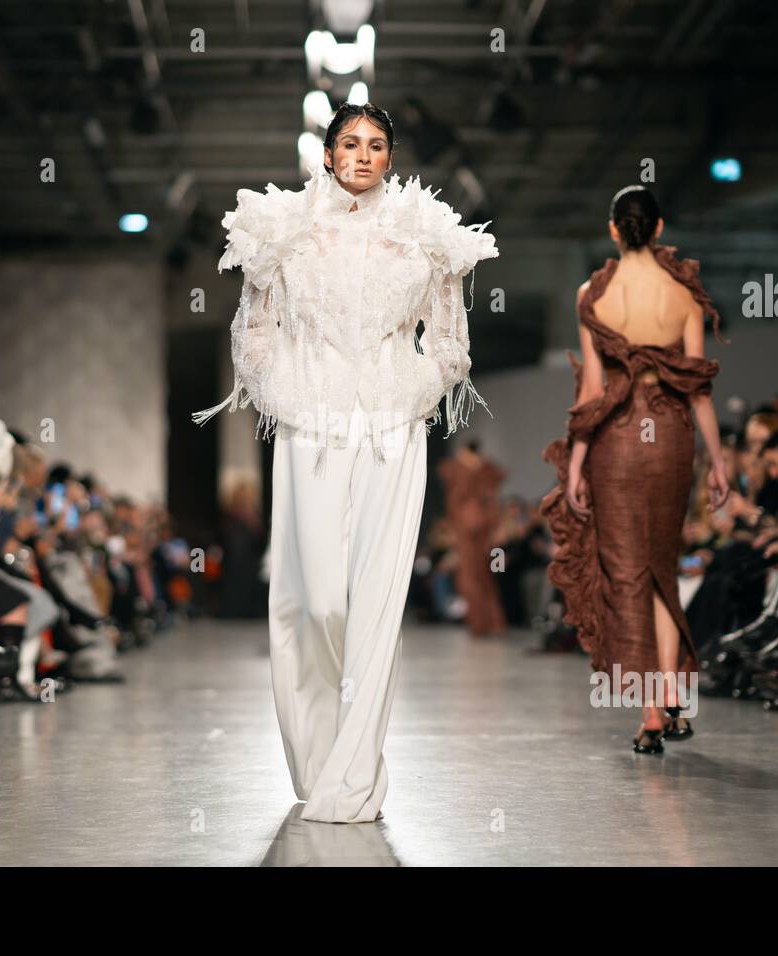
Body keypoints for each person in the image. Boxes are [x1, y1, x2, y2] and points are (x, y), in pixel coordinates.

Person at [193, 102, 497, 822]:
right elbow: (254, 331)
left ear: (390, 158)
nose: (362, 154)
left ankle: (356, 777)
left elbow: (450, 345)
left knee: (379, 604)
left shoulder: (425, 235)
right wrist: (288, 394)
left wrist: (405, 390)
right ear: (326, 154)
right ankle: (319, 752)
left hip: (395, 429)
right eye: (349, 143)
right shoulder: (282, 230)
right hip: (312, 427)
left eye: (377, 144)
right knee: (317, 598)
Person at [541, 185, 729, 755]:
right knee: (661, 567)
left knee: (626, 574)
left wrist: (575, 464)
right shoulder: (683, 295)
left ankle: (652, 713)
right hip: (671, 435)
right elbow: (698, 390)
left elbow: (594, 392)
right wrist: (719, 463)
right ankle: (671, 692)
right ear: (660, 226)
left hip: (617, 440)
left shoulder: (594, 296)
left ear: (615, 231)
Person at [437, 440, 508, 637]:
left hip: (474, 529)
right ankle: (490, 623)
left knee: (473, 578)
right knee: (482, 577)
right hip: (481, 527)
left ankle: (483, 624)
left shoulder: (459, 470)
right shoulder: (486, 470)